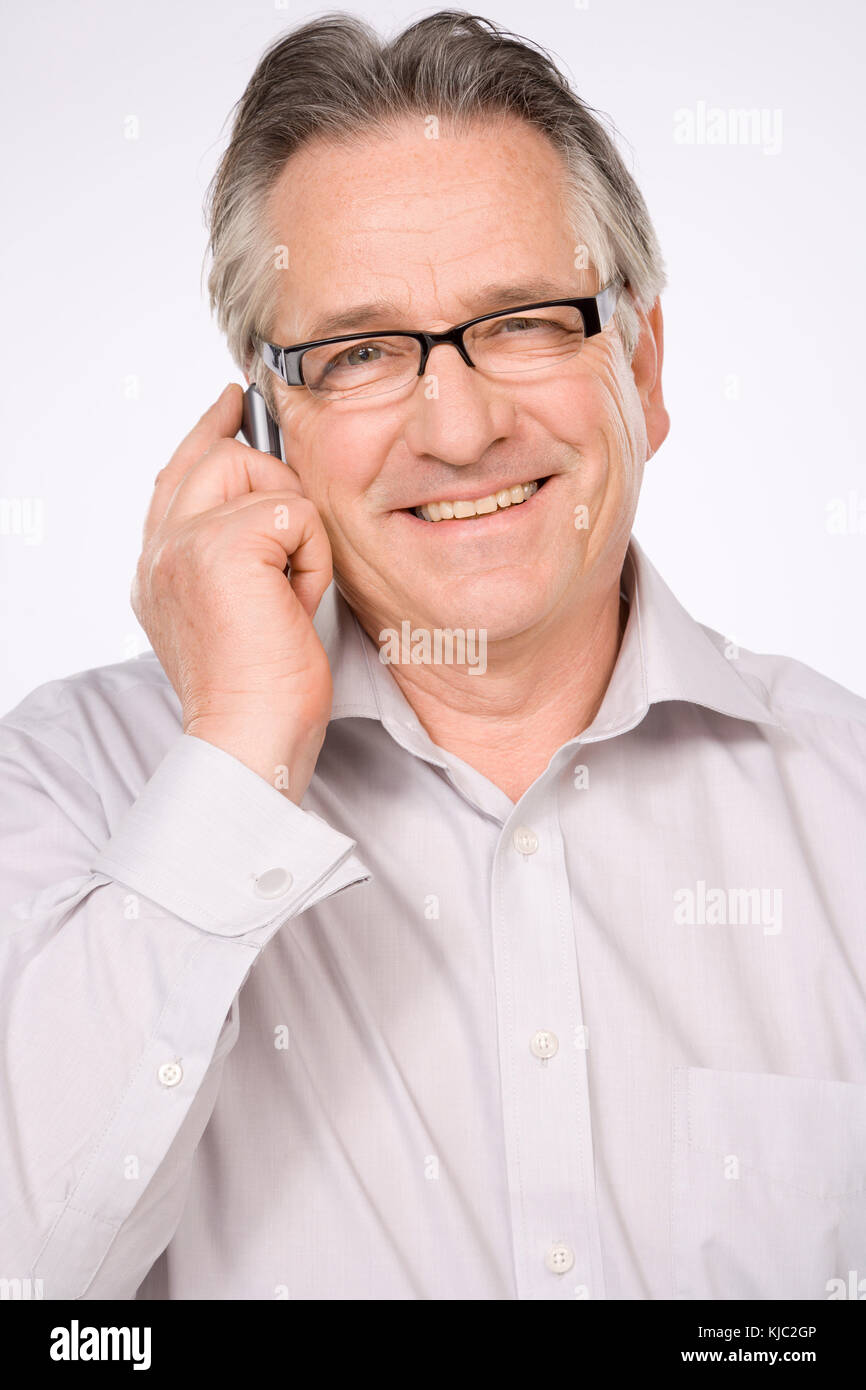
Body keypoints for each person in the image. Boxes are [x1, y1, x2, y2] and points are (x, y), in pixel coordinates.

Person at [2, 10, 864, 1302]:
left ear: (639, 360)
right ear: (262, 422)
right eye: (358, 353)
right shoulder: (64, 790)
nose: (456, 426)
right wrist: (237, 745)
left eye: (521, 319)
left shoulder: (845, 798)